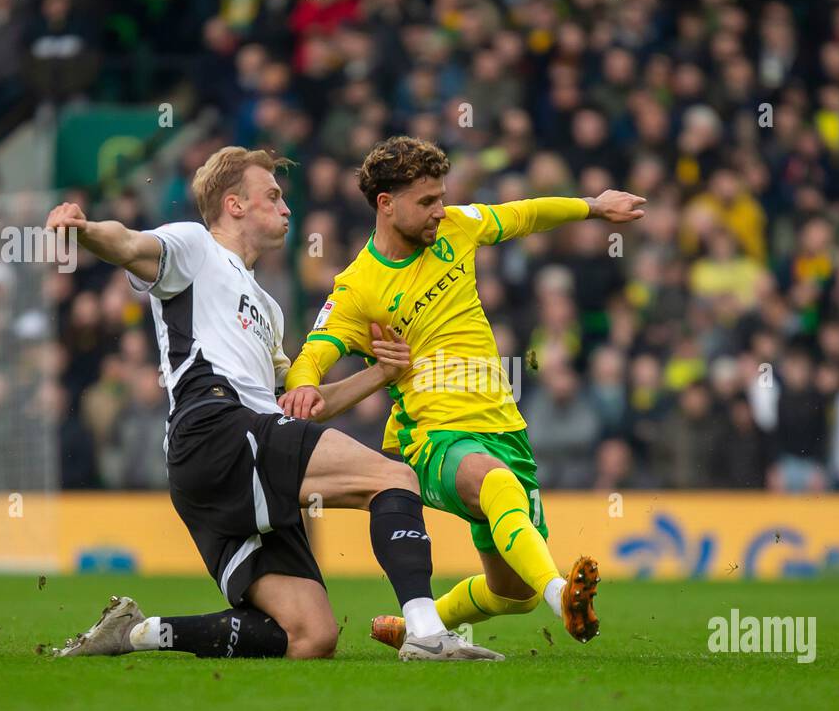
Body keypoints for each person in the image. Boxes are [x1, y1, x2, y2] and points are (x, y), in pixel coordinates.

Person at [45, 146, 500, 662]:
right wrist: (83, 230)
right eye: (274, 196)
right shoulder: (196, 248)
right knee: (394, 478)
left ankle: (136, 632)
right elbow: (128, 244)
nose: (287, 209)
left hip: (223, 458)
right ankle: (425, 631)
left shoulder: (268, 307)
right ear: (235, 205)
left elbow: (302, 406)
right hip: (217, 427)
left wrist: (382, 374)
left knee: (310, 636)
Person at [282, 136, 646, 648]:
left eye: (441, 198)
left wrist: (593, 207)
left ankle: (417, 626)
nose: (439, 211)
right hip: (431, 436)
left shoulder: (456, 227)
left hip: (504, 426)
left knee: (512, 592)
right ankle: (562, 591)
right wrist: (301, 388)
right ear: (386, 204)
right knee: (495, 484)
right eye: (426, 202)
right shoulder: (357, 285)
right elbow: (314, 352)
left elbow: (523, 214)